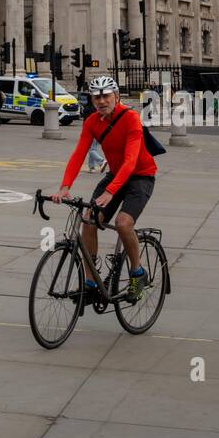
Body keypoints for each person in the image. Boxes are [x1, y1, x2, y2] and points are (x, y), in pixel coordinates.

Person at [53, 74, 157, 302]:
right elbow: (79, 153)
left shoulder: (130, 118)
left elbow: (131, 161)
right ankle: (91, 282)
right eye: (96, 97)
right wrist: (64, 186)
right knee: (89, 220)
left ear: (116, 96)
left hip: (141, 176)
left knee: (123, 223)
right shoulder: (92, 122)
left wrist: (111, 192)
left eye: (106, 96)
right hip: (115, 175)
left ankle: (137, 273)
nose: (101, 101)